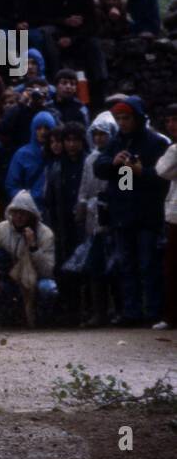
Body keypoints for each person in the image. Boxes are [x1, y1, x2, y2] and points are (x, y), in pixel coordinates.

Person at [92, 97, 168, 326]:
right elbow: (99, 167)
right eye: (119, 118)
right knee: (126, 266)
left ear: (138, 118)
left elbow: (164, 177)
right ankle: (131, 311)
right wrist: (112, 163)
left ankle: (152, 311)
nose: (123, 123)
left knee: (147, 265)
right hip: (123, 215)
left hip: (146, 216)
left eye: (127, 118)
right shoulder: (117, 142)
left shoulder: (155, 144)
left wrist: (142, 172)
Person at [0, 189, 57, 327]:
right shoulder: (1, 229)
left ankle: (43, 323)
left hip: (33, 283)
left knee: (48, 288)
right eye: (16, 213)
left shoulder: (45, 234)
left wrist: (33, 247)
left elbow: (47, 271)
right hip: (9, 281)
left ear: (31, 215)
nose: (19, 217)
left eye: (23, 213)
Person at [42, 122, 88, 324]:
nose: (71, 144)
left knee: (87, 268)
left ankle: (92, 310)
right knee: (64, 267)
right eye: (67, 140)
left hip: (87, 223)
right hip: (62, 224)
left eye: (75, 140)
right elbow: (49, 199)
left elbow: (122, 186)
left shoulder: (90, 162)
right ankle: (70, 310)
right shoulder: (56, 166)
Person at [77, 110, 120, 326]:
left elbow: (125, 186)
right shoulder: (90, 159)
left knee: (116, 265)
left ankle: (117, 310)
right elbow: (84, 187)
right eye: (96, 134)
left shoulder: (121, 155)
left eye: (104, 134)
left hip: (114, 214)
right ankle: (98, 311)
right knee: (94, 265)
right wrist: (82, 206)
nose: (99, 138)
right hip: (94, 218)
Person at [39, 0, 101, 87]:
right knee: (45, 33)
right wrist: (64, 21)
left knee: (94, 44)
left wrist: (72, 39)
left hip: (78, 37)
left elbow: (93, 25)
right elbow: (40, 18)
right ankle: (54, 77)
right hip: (55, 35)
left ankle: (99, 83)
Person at [5, 110, 57, 210]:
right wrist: (25, 202)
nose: (43, 132)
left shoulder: (58, 153)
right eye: (38, 128)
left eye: (47, 128)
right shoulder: (22, 154)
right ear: (33, 130)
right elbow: (11, 185)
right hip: (28, 210)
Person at [154, 104, 177, 330]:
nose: (171, 125)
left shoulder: (170, 148)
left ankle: (171, 316)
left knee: (172, 268)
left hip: (174, 214)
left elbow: (160, 170)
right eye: (169, 120)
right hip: (167, 208)